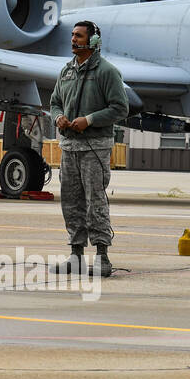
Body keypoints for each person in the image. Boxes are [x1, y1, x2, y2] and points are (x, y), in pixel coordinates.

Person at [48, 21, 129, 277]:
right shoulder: (66, 71)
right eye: (73, 35)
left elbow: (120, 108)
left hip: (94, 148)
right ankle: (76, 254)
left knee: (95, 202)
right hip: (69, 147)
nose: (73, 40)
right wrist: (58, 117)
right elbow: (55, 102)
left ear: (93, 41)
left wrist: (89, 120)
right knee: (71, 203)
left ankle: (102, 256)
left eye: (79, 36)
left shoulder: (107, 72)